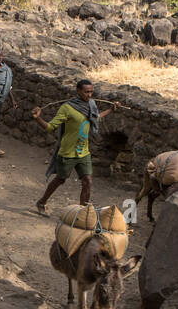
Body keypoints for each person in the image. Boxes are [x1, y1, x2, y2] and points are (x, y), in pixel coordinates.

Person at [32, 78, 116, 211]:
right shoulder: (67, 108)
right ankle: (42, 202)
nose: (89, 95)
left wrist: (111, 110)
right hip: (68, 152)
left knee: (88, 181)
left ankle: (82, 213)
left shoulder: (91, 104)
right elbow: (50, 127)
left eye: (91, 92)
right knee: (60, 179)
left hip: (84, 152)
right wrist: (37, 118)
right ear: (78, 91)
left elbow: (95, 117)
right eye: (86, 92)